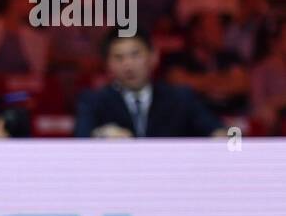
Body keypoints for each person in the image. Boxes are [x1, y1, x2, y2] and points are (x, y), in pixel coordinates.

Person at [74, 30, 223, 138]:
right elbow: (80, 140)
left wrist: (229, 137)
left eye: (135, 55)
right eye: (119, 58)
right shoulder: (93, 101)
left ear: (154, 57)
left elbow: (223, 131)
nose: (128, 65)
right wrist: (100, 136)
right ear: (108, 65)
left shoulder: (181, 98)